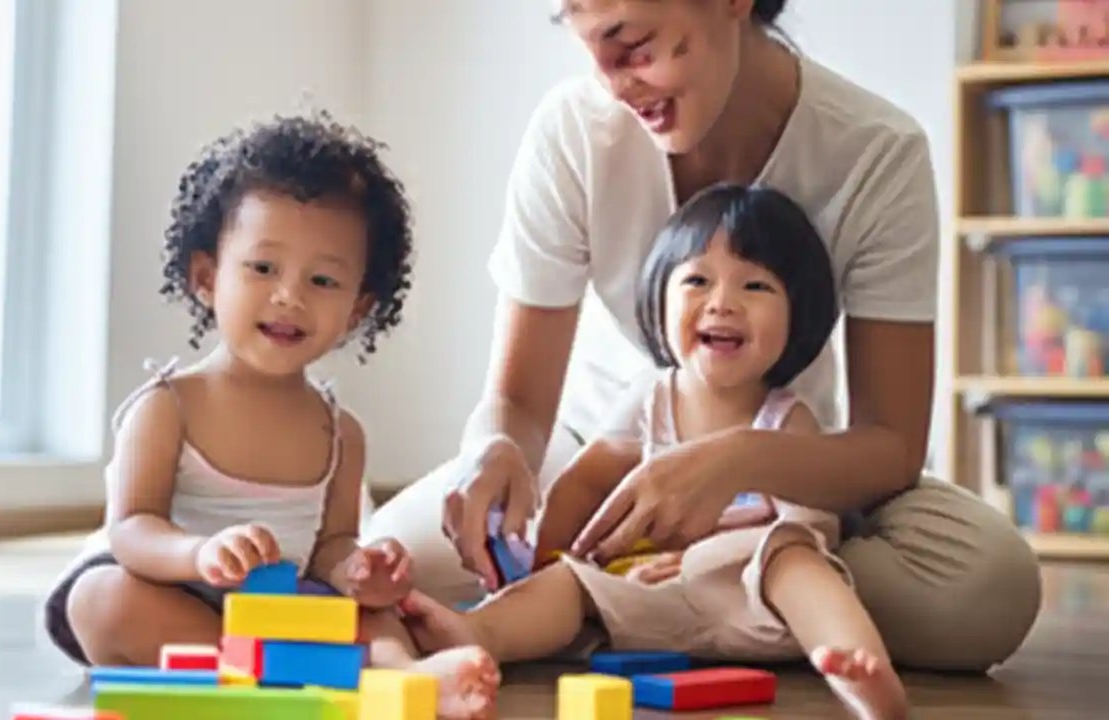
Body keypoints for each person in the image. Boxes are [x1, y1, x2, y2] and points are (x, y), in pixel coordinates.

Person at [364, 0, 1042, 671]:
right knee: (389, 561)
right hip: (589, 462)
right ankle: (725, 606)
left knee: (989, 587)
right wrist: (495, 450)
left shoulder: (874, 152)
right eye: (592, 53)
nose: (613, 85)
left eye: (633, 45)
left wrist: (735, 461)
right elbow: (518, 402)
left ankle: (664, 592)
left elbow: (891, 446)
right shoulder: (576, 132)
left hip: (785, 488)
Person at [40, 111, 499, 720]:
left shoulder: (340, 432)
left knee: (381, 613)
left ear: (358, 309)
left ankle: (399, 679)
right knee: (103, 599)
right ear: (207, 278)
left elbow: (330, 546)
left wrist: (359, 569)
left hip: (286, 608)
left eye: (323, 279)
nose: (290, 295)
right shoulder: (167, 406)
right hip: (177, 594)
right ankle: (328, 688)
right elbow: (131, 528)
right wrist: (200, 554)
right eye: (262, 268)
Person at [400, 183, 907, 720]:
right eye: (697, 281)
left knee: (797, 560)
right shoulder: (651, 397)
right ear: (657, 299)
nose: (722, 303)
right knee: (572, 582)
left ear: (798, 318)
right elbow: (589, 481)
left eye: (755, 285)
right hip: (644, 595)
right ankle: (480, 632)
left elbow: (810, 525)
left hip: (749, 600)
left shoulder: (785, 418)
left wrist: (704, 555)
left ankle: (861, 676)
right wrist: (544, 557)